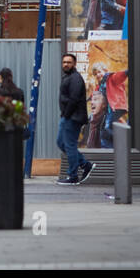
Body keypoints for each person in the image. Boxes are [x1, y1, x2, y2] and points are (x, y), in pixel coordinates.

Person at [57, 53, 93, 184]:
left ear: (74, 64)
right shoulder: (68, 77)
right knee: (61, 143)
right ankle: (85, 164)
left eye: (69, 62)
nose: (66, 64)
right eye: (64, 62)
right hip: (67, 116)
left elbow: (74, 99)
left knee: (69, 145)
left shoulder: (76, 78)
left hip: (73, 117)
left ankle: (73, 176)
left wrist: (66, 115)